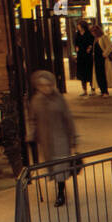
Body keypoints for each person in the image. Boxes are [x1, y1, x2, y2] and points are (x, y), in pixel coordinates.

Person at [27, 70, 78, 206]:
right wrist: (31, 134)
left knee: (60, 167)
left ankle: (60, 192)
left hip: (61, 138)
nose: (46, 88)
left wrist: (73, 138)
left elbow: (68, 118)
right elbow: (32, 120)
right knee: (53, 168)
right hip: (46, 140)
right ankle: (60, 187)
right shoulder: (35, 101)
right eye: (42, 86)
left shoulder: (59, 99)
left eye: (48, 85)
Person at [91, 23, 112, 97]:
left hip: (102, 59)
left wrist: (104, 54)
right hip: (97, 59)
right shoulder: (96, 39)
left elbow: (109, 46)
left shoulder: (104, 37)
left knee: (103, 75)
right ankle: (102, 90)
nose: (93, 34)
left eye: (93, 32)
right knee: (98, 75)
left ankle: (105, 91)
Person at [74, 20, 96, 95]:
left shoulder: (88, 33)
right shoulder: (77, 34)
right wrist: (76, 48)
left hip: (87, 55)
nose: (78, 27)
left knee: (89, 72)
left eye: (79, 25)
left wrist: (89, 48)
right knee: (82, 73)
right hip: (80, 55)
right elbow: (76, 42)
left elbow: (91, 41)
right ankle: (84, 90)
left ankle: (92, 89)